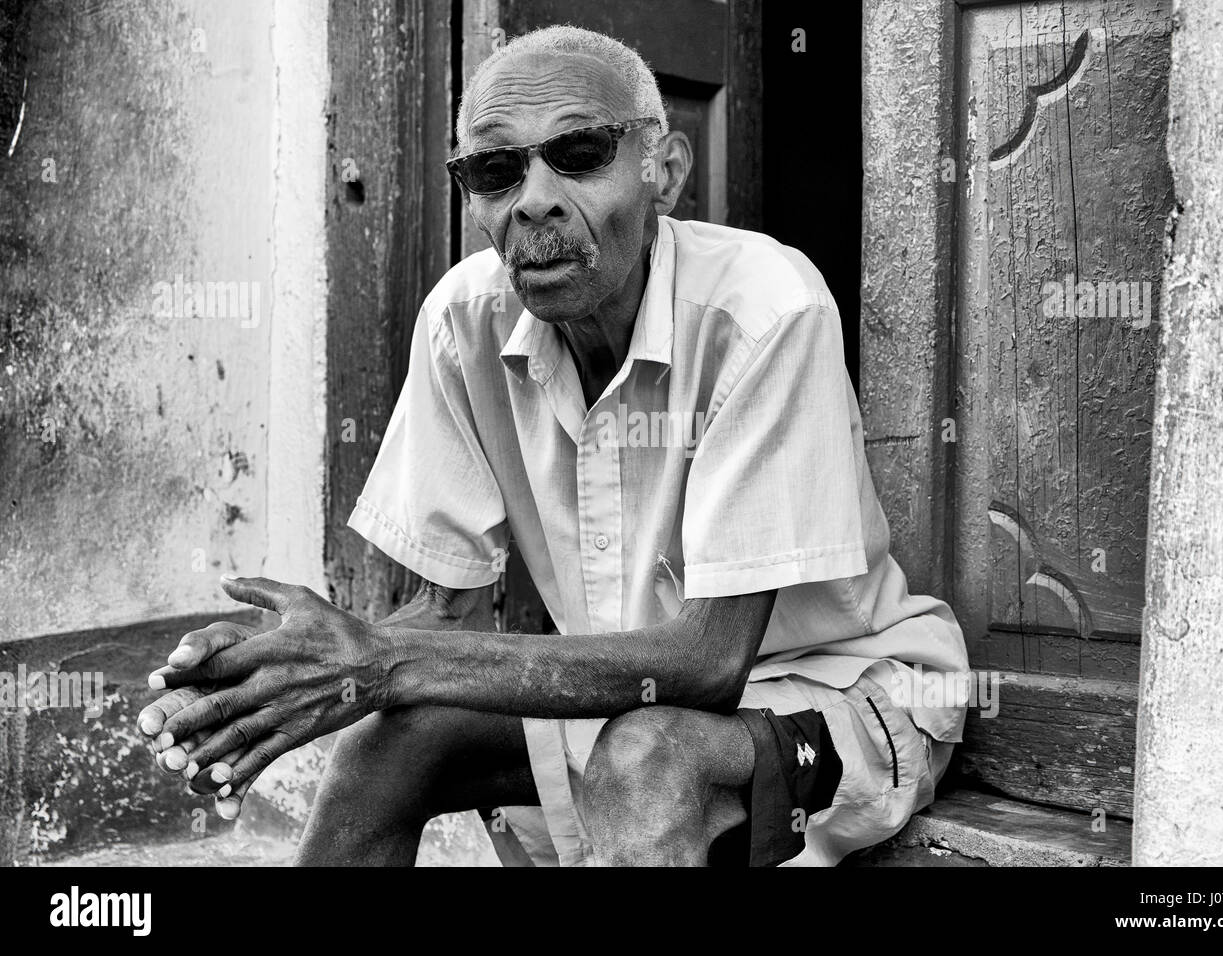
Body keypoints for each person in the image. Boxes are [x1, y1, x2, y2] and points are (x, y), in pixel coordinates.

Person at [137, 25, 969, 867]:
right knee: (390, 745)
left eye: (578, 153)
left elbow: (710, 661)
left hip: (838, 697)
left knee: (647, 761)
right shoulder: (463, 321)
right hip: (622, 703)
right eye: (497, 172)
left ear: (664, 173)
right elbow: (443, 615)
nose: (533, 199)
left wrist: (383, 659)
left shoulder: (765, 311)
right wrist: (285, 672)